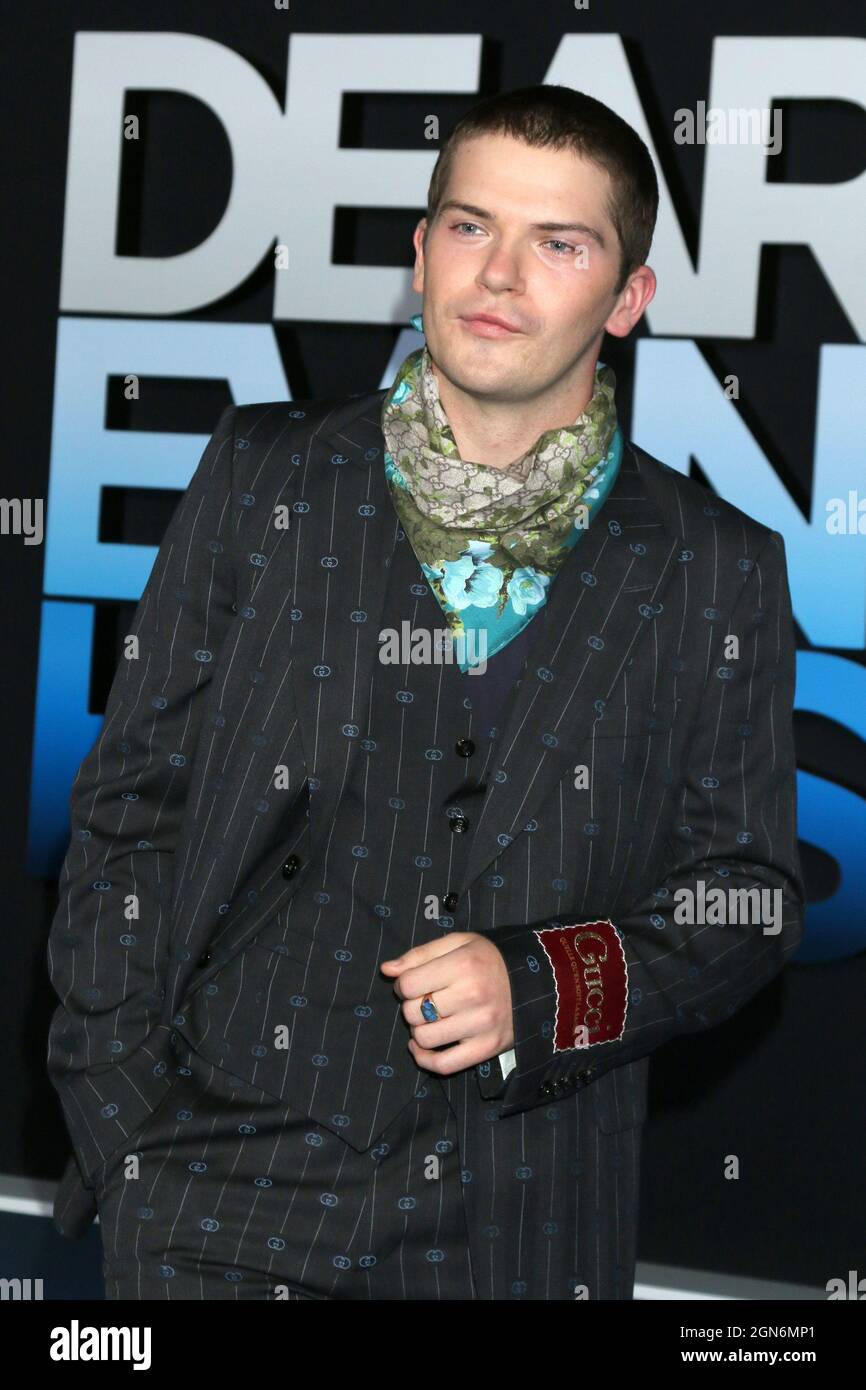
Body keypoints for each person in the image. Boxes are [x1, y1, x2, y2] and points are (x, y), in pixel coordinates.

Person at [46, 84, 804, 1301]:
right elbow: (131, 809)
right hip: (217, 1198)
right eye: (467, 226)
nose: (497, 275)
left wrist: (543, 986)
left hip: (523, 1225)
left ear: (626, 299)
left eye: (556, 243)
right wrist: (128, 1129)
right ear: (417, 252)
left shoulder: (714, 566)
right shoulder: (263, 476)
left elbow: (744, 899)